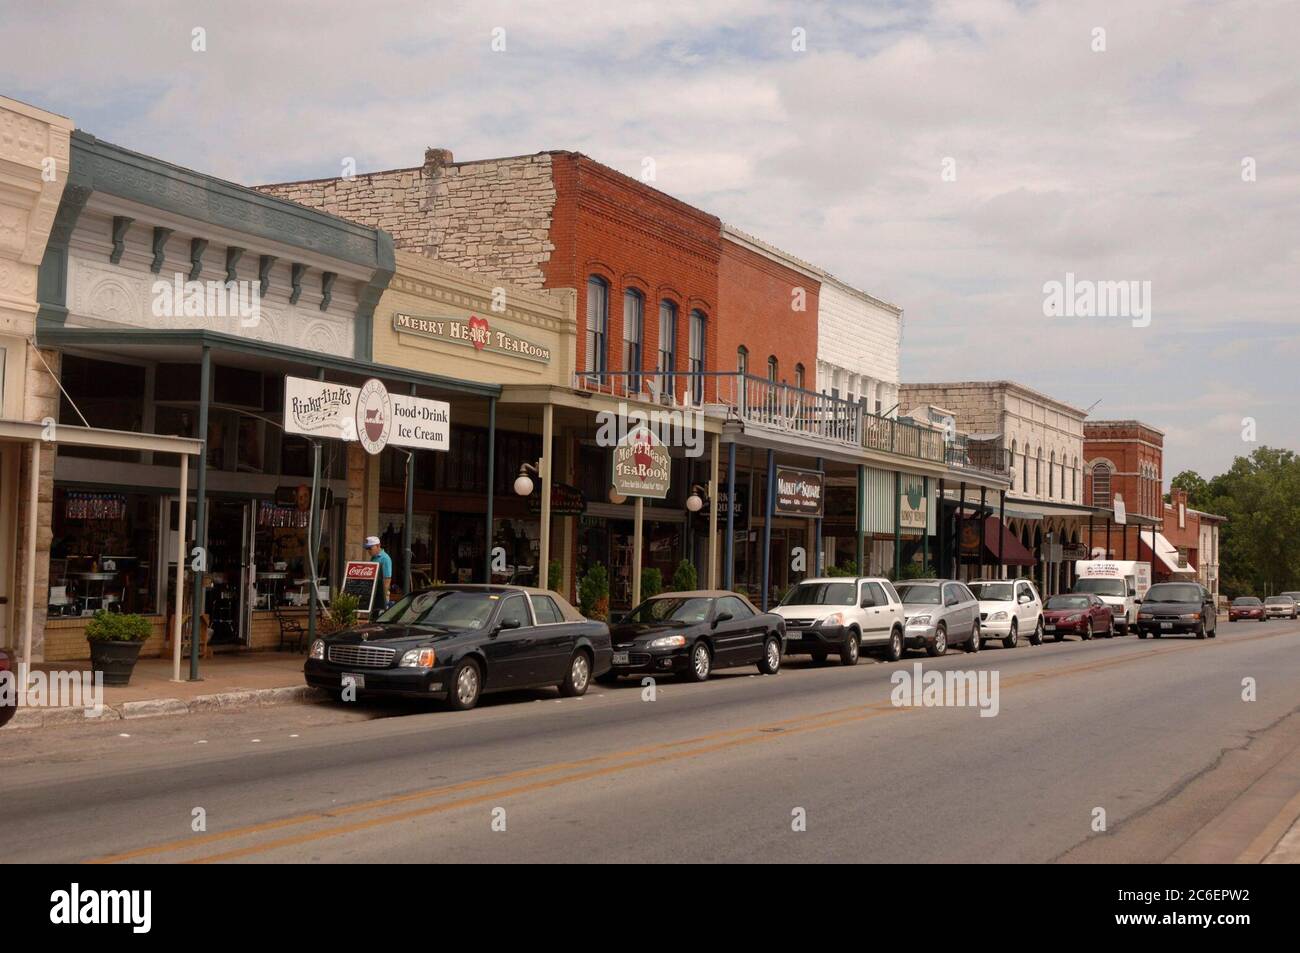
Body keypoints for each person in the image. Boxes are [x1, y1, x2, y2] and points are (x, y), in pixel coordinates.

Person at [363, 535, 393, 615]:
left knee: (379, 616)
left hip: (380, 594)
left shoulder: (385, 558)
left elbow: (387, 579)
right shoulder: (373, 558)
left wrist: (383, 598)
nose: (368, 551)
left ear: (378, 546)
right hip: (373, 593)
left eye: (370, 548)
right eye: (367, 549)